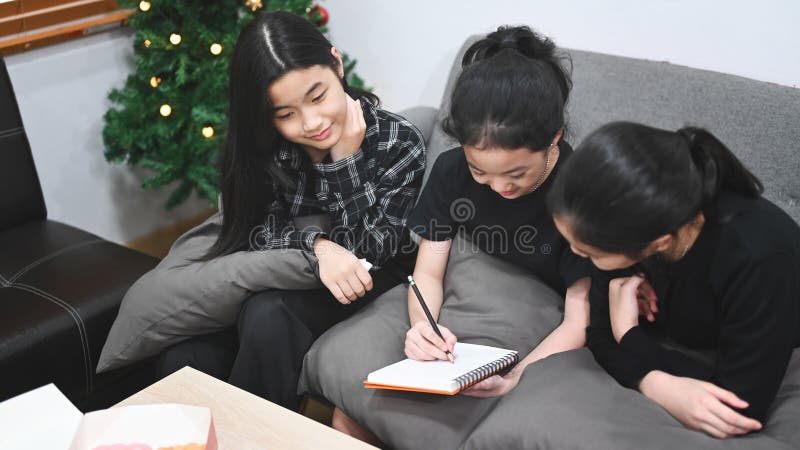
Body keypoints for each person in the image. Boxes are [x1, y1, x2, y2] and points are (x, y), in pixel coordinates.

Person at [155, 10, 426, 411]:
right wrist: (318, 246)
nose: (312, 122)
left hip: (370, 282)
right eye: (286, 114)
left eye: (318, 97)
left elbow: (378, 249)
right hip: (291, 273)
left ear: (336, 64)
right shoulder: (266, 147)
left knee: (269, 314)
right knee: (183, 358)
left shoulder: (397, 142)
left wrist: (344, 163)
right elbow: (253, 230)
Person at [333, 25, 593, 441]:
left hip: (537, 322)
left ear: (554, 138)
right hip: (460, 301)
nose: (499, 188)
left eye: (516, 174)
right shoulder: (451, 170)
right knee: (350, 409)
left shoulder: (579, 193)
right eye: (481, 172)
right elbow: (429, 274)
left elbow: (580, 319)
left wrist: (514, 378)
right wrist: (425, 329)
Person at [548, 121, 800, 439]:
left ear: (659, 243)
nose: (575, 254)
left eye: (588, 251)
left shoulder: (758, 259)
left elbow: (740, 405)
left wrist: (629, 336)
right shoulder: (615, 218)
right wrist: (653, 383)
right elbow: (598, 335)